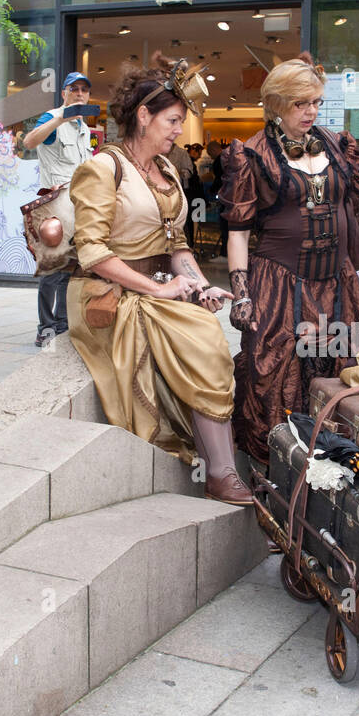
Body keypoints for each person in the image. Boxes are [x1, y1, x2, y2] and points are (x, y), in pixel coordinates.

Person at [65, 56, 252, 506]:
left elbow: (178, 246)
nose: (177, 132)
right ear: (143, 117)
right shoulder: (102, 168)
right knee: (204, 336)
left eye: (180, 123)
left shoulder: (167, 171)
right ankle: (222, 474)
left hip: (156, 284)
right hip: (105, 291)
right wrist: (161, 289)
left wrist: (197, 285)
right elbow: (92, 252)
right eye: (172, 121)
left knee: (206, 327)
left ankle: (222, 468)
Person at [220, 55, 359, 464]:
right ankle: (280, 473)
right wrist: (241, 294)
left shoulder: (337, 144)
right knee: (277, 380)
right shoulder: (252, 155)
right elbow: (238, 232)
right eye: (300, 103)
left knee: (344, 370)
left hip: (337, 285)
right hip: (280, 286)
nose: (311, 111)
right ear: (276, 104)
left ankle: (343, 467)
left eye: (315, 102)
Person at [24, 71, 94, 347]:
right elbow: (29, 142)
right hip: (54, 205)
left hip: (78, 203)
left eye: (84, 90)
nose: (79, 94)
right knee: (52, 267)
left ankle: (63, 323)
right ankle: (46, 326)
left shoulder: (83, 127)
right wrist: (59, 118)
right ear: (64, 92)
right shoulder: (52, 117)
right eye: (73, 89)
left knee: (70, 267)